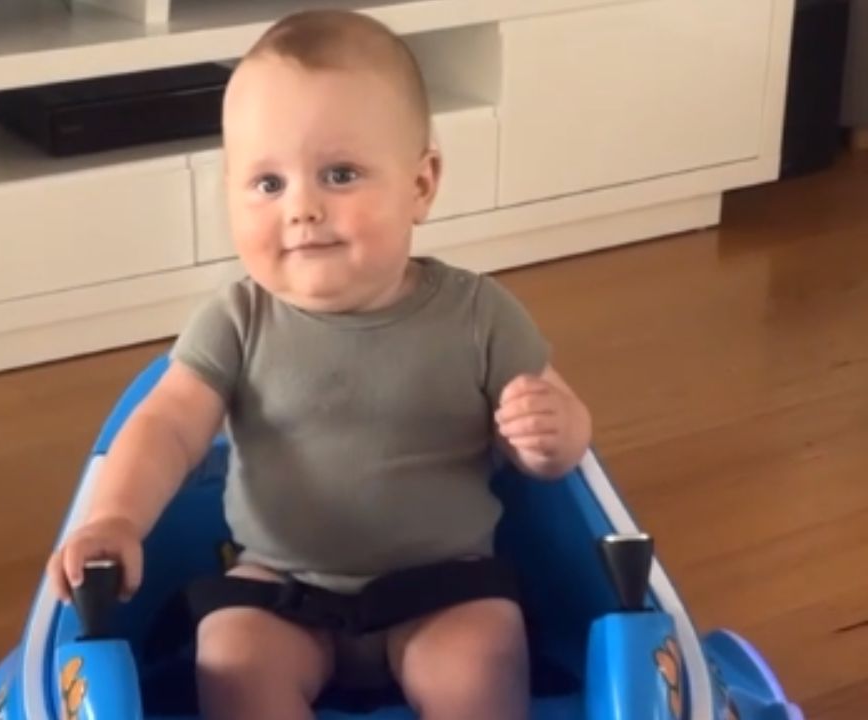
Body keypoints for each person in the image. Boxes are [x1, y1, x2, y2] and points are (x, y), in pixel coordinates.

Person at [48, 9, 593, 719]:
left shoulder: (479, 314)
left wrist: (554, 437)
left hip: (447, 587)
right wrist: (114, 518)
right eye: (268, 184)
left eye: (340, 174)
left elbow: (563, 438)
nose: (302, 208)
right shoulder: (237, 320)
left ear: (421, 184)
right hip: (278, 588)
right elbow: (168, 427)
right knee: (232, 658)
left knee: (482, 663)